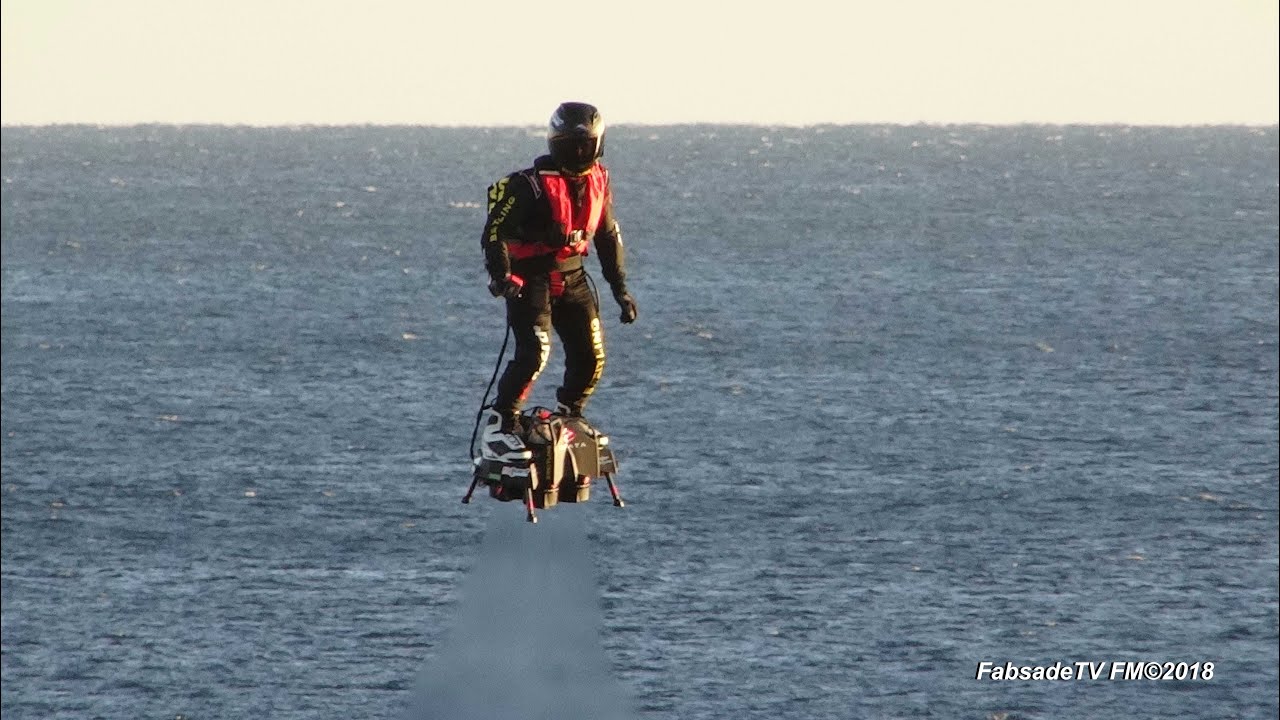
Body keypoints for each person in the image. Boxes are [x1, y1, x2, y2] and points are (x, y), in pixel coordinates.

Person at [478, 101, 638, 463]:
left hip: (574, 277)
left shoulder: (599, 180)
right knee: (534, 355)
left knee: (591, 356)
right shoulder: (528, 186)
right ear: (554, 143)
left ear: (599, 145)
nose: (579, 152)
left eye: (586, 145)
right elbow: (494, 234)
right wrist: (502, 276)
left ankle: (570, 415)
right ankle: (501, 425)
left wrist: (620, 290)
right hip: (530, 279)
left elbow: (608, 236)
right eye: (571, 145)